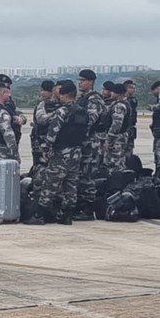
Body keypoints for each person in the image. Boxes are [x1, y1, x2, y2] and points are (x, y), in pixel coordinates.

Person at [23, 80, 81, 225]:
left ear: (65, 95)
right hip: (76, 152)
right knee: (71, 185)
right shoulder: (81, 111)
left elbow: (53, 131)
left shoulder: (62, 111)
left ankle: (39, 215)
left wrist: (46, 147)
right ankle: (67, 215)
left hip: (61, 153)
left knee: (50, 184)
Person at [73, 69, 106, 220]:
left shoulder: (94, 99)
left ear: (91, 82)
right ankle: (79, 207)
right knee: (79, 176)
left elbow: (89, 121)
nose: (80, 82)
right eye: (79, 80)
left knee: (87, 177)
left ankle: (87, 210)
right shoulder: (81, 98)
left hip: (90, 143)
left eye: (83, 80)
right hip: (81, 143)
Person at [31, 80, 59, 177]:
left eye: (45, 91)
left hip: (49, 144)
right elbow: (39, 120)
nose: (42, 93)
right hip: (38, 143)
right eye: (41, 90)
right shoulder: (40, 105)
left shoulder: (59, 106)